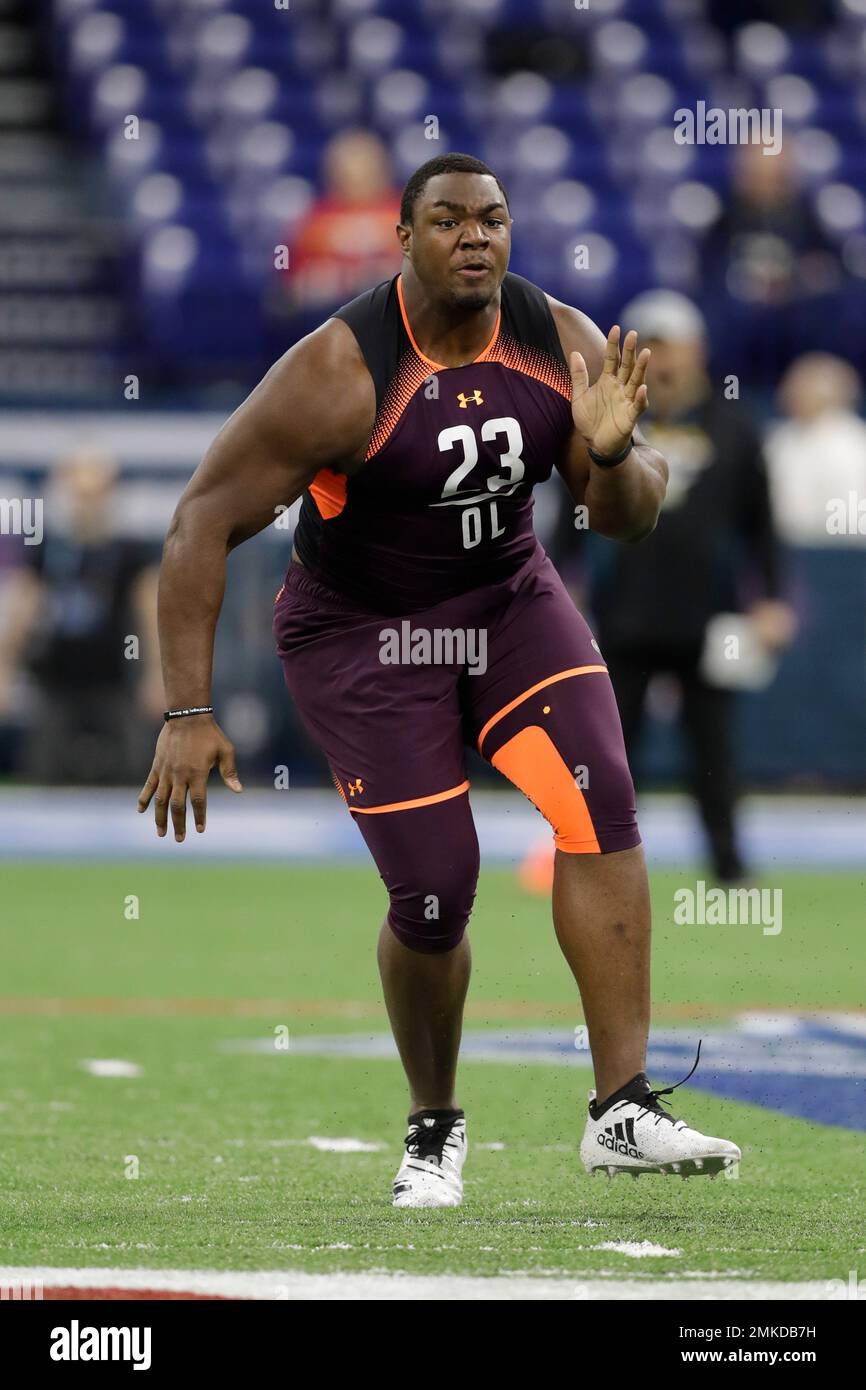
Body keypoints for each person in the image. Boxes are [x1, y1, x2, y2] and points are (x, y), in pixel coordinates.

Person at [139, 153, 740, 1207]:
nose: (475, 236)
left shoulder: (560, 338)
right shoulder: (338, 370)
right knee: (434, 890)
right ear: (404, 239)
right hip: (362, 631)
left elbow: (625, 514)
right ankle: (432, 1123)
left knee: (596, 792)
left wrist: (607, 456)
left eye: (494, 218)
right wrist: (187, 707)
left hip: (506, 598)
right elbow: (198, 523)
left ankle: (622, 1108)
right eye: (450, 219)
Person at [548, 289, 796, 884]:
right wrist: (566, 590)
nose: (662, 359)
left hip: (710, 619)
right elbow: (568, 522)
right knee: (610, 752)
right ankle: (598, 861)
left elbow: (762, 527)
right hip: (624, 615)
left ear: (698, 350)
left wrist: (771, 600)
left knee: (713, 754)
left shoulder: (735, 429)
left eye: (672, 344)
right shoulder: (605, 425)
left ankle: (729, 869)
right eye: (649, 344)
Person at [0, 446, 162, 783]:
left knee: (132, 772)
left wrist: (157, 676)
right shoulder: (48, 550)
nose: (87, 502)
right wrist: (4, 670)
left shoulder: (130, 551)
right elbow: (22, 611)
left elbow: (152, 615)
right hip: (57, 683)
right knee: (44, 771)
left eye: (95, 493)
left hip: (115, 681)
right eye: (79, 492)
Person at [765, 353, 866, 547]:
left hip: (839, 554)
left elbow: (852, 518)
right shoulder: (777, 439)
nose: (793, 394)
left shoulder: (855, 443)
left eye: (804, 388)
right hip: (781, 549)